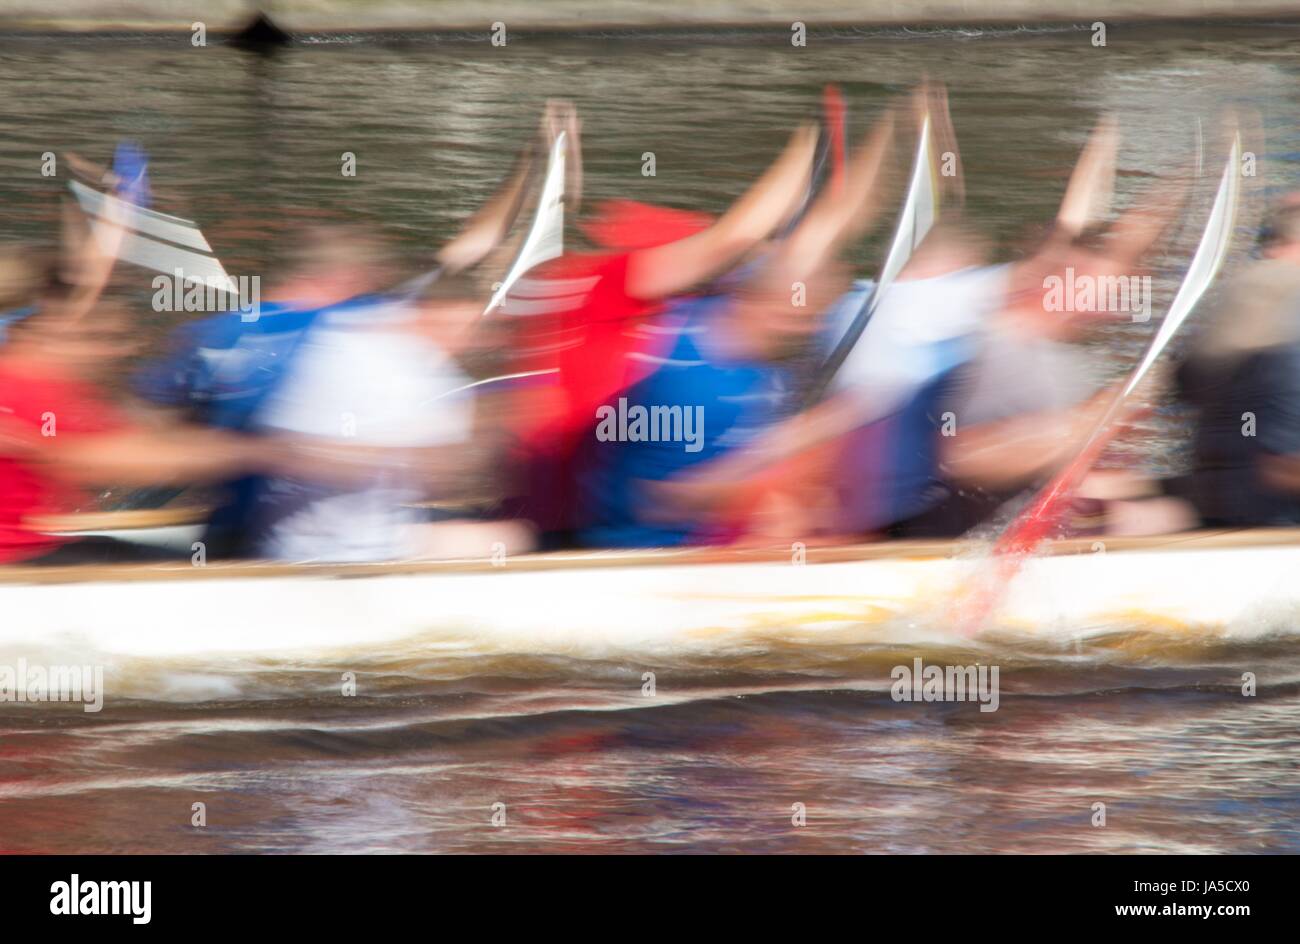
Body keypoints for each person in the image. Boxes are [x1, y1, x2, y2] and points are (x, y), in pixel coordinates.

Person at [501, 122, 820, 543]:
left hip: (563, 488)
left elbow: (751, 250)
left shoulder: (578, 284)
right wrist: (807, 145)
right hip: (572, 509)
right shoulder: (609, 282)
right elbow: (732, 240)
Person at [0, 263, 260, 565]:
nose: (117, 352)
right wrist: (260, 451)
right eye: (102, 338)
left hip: (32, 548)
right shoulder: (25, 384)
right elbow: (115, 460)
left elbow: (133, 439)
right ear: (51, 329)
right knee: (209, 569)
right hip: (14, 562)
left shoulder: (46, 385)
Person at [1157, 194, 1300, 528]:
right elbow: (1281, 465)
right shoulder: (1290, 318)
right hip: (1271, 521)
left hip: (1216, 501)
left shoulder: (1236, 296)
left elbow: (1180, 389)